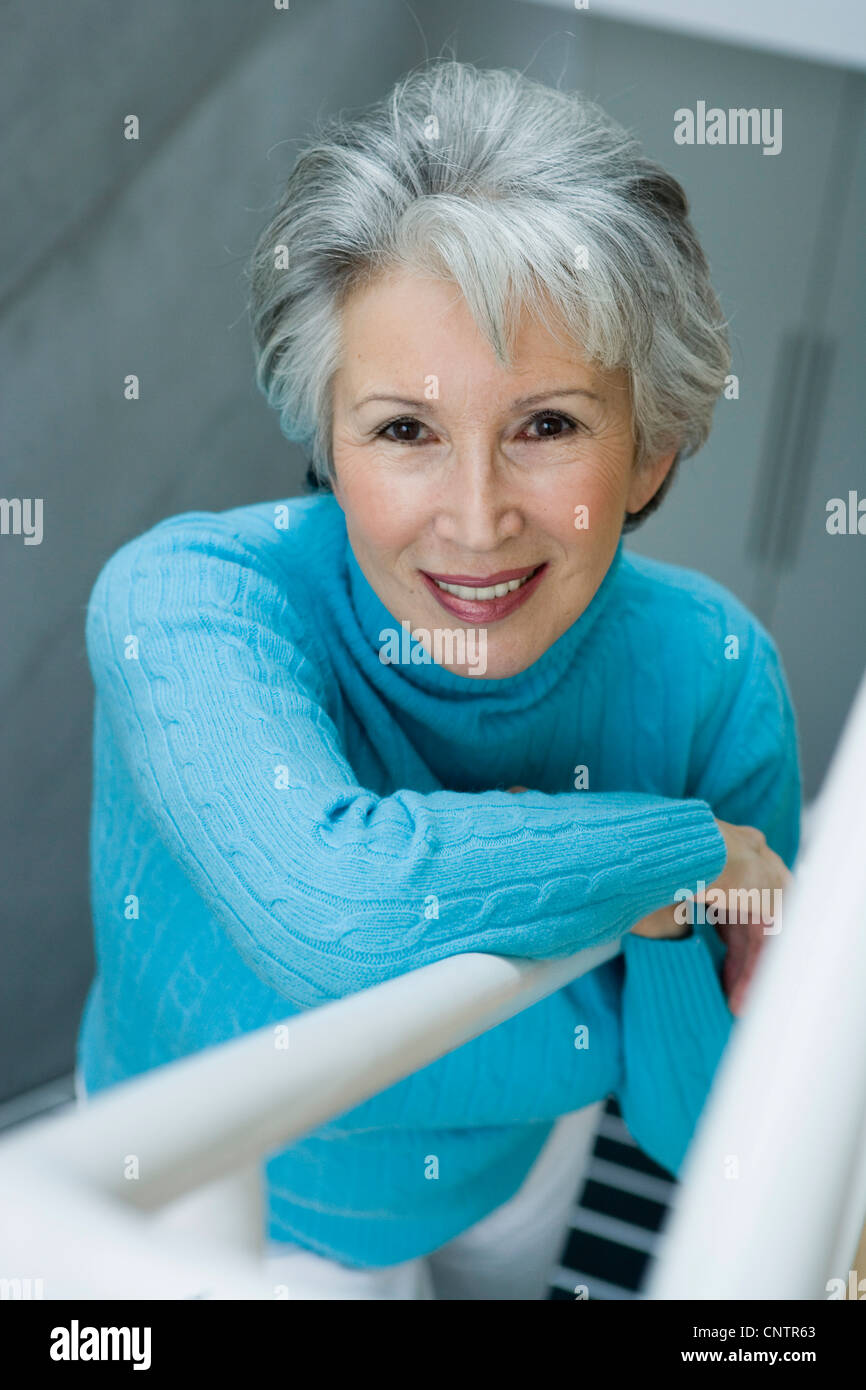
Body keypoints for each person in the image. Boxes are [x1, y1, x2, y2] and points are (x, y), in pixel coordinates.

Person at [77, 60, 799, 1299]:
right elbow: (336, 910)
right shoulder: (184, 602)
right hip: (226, 1200)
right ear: (325, 436)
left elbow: (703, 1129)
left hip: (513, 1158)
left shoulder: (712, 669)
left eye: (548, 425)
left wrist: (668, 920)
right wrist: (689, 852)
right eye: (404, 430)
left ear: (652, 449)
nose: (473, 521)